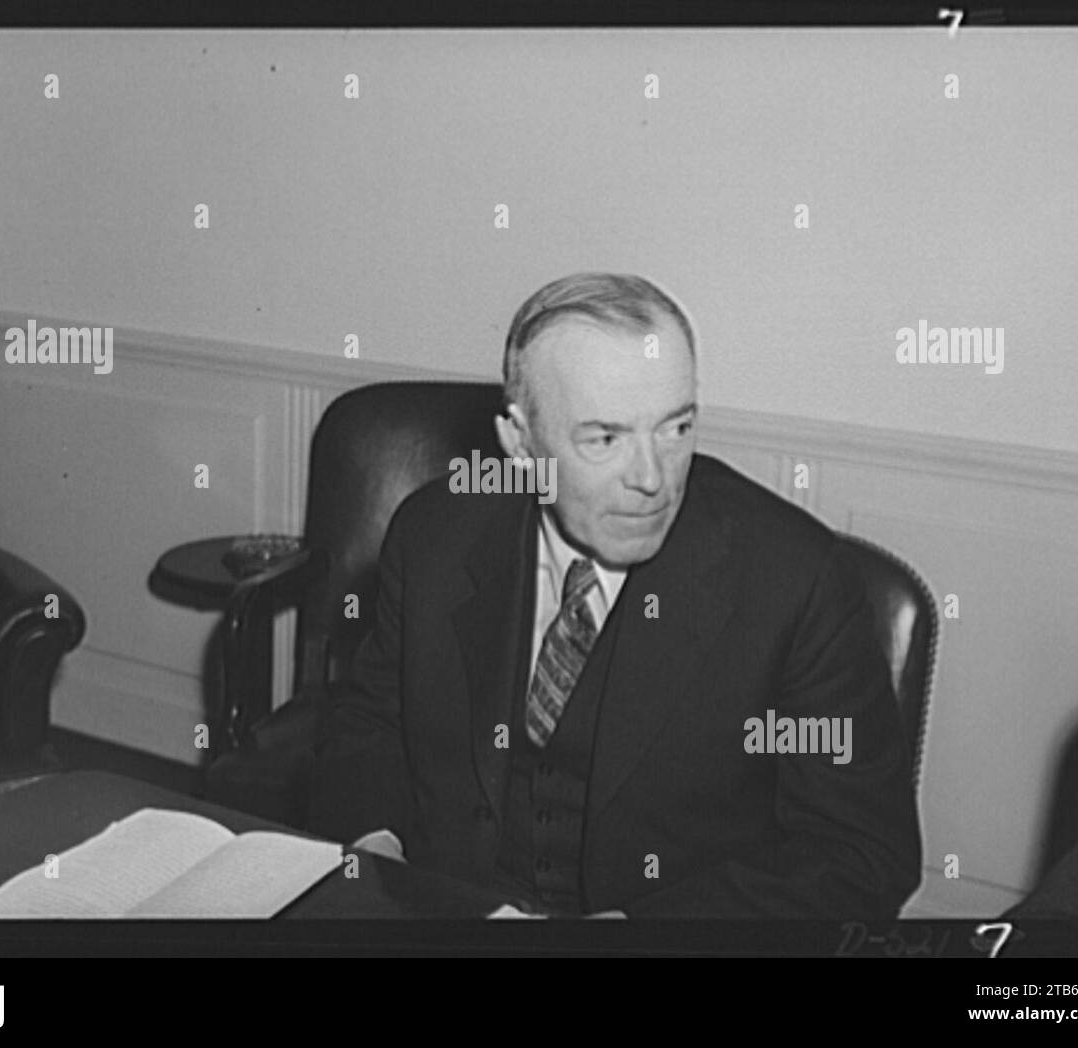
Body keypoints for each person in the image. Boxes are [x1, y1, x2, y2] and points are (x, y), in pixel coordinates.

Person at [307, 272, 922, 917]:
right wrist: (380, 858)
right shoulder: (435, 534)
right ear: (519, 445)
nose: (652, 479)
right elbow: (368, 725)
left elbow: (861, 853)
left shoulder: (795, 581)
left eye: (675, 428)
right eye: (604, 439)